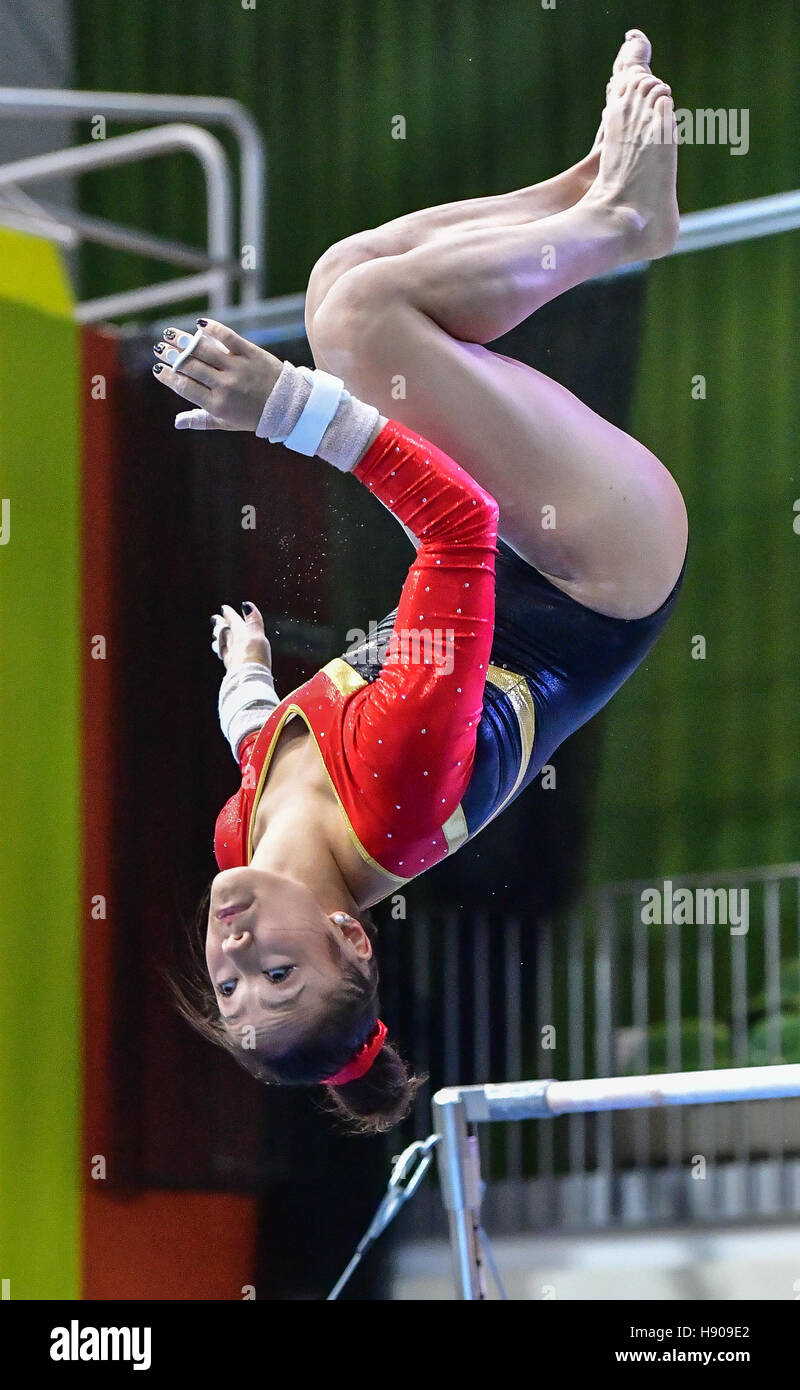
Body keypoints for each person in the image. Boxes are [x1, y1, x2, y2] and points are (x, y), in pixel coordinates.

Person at [153, 30, 688, 1133]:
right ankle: (617, 227)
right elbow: (457, 528)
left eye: (229, 989)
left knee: (338, 281)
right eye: (279, 979)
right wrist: (286, 412)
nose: (239, 958)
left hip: (541, 557)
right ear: (351, 936)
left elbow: (257, 743)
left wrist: (244, 670)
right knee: (354, 330)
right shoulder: (396, 802)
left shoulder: (236, 843)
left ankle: (585, 188)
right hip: (600, 568)